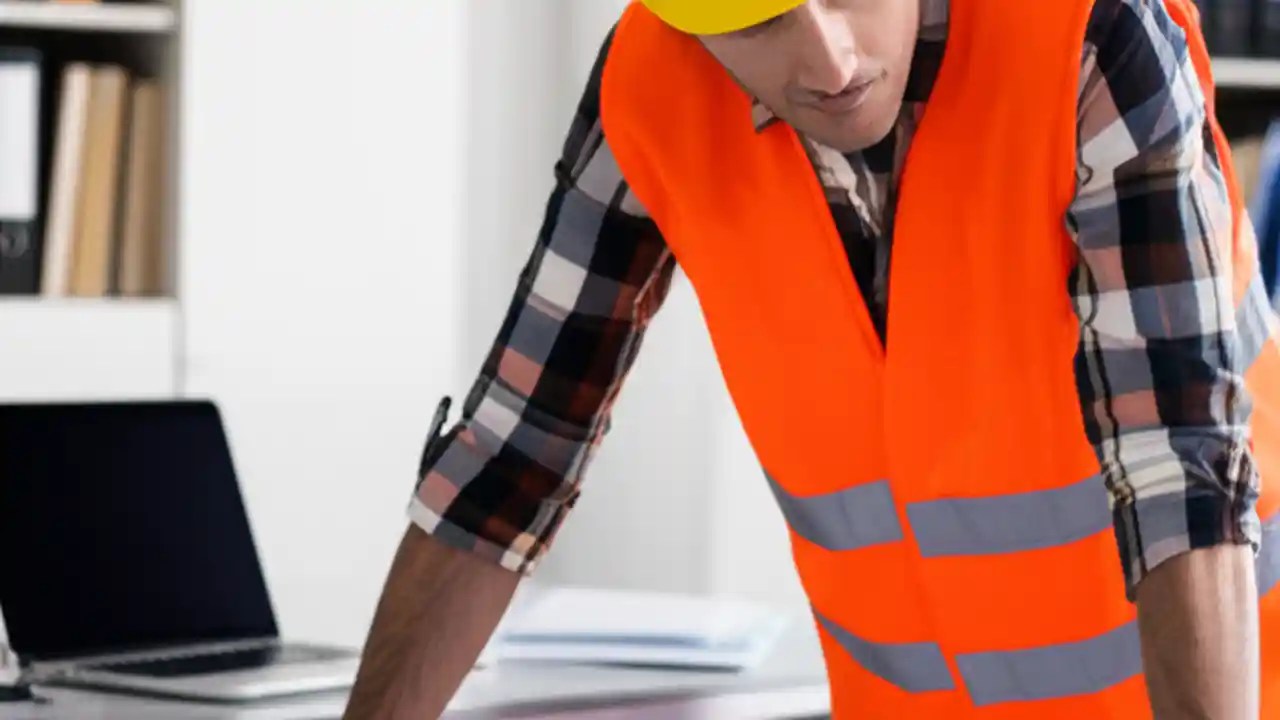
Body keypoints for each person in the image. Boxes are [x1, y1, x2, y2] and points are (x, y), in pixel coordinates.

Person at [344, 0, 1280, 717]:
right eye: (759, 23)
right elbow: (513, 456)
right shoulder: (651, 87)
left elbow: (1177, 468)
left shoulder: (1088, 33)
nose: (832, 59)